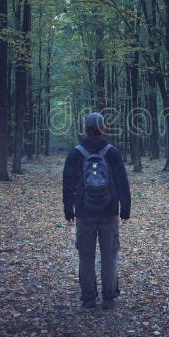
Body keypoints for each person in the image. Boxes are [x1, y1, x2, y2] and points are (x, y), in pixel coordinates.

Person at [62, 112, 131, 309]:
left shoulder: (76, 153)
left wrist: (69, 211)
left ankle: (89, 300)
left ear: (85, 128)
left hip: (84, 212)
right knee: (109, 255)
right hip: (109, 212)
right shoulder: (112, 152)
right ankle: (109, 299)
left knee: (86, 256)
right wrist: (125, 210)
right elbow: (122, 182)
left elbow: (68, 184)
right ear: (103, 128)